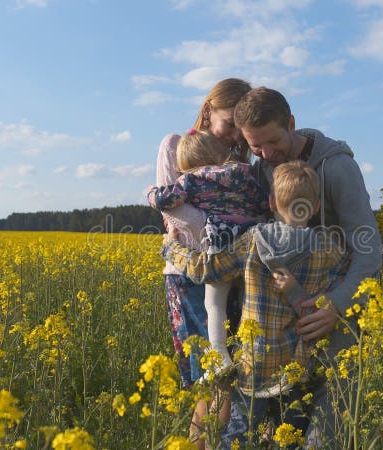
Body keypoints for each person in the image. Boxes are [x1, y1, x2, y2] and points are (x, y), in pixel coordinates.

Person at [162, 160, 349, 449]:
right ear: (314, 207)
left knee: (237, 436)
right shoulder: (328, 249)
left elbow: (207, 269)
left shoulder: (254, 240)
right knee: (289, 435)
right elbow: (341, 291)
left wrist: (171, 248)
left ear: (271, 202)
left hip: (253, 363)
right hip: (298, 366)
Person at [234, 86, 383, 446]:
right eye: (256, 147)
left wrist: (336, 306)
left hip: (337, 323)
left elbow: (369, 251)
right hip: (284, 337)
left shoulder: (338, 168)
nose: (267, 154)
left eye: (273, 142)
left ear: (291, 123)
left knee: (325, 430)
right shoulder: (262, 170)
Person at [152, 78, 252, 446]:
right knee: (212, 380)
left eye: (241, 130)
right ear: (209, 110)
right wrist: (228, 232)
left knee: (235, 378)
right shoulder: (175, 145)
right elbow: (175, 212)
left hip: (233, 274)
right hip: (188, 274)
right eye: (230, 125)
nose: (234, 137)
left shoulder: (240, 158)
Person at [148, 130, 269, 375]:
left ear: (187, 165)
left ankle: (219, 356)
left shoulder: (192, 179)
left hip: (220, 249)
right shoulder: (243, 173)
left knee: (214, 304)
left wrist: (151, 193)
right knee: (250, 306)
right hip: (248, 246)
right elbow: (264, 202)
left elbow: (166, 201)